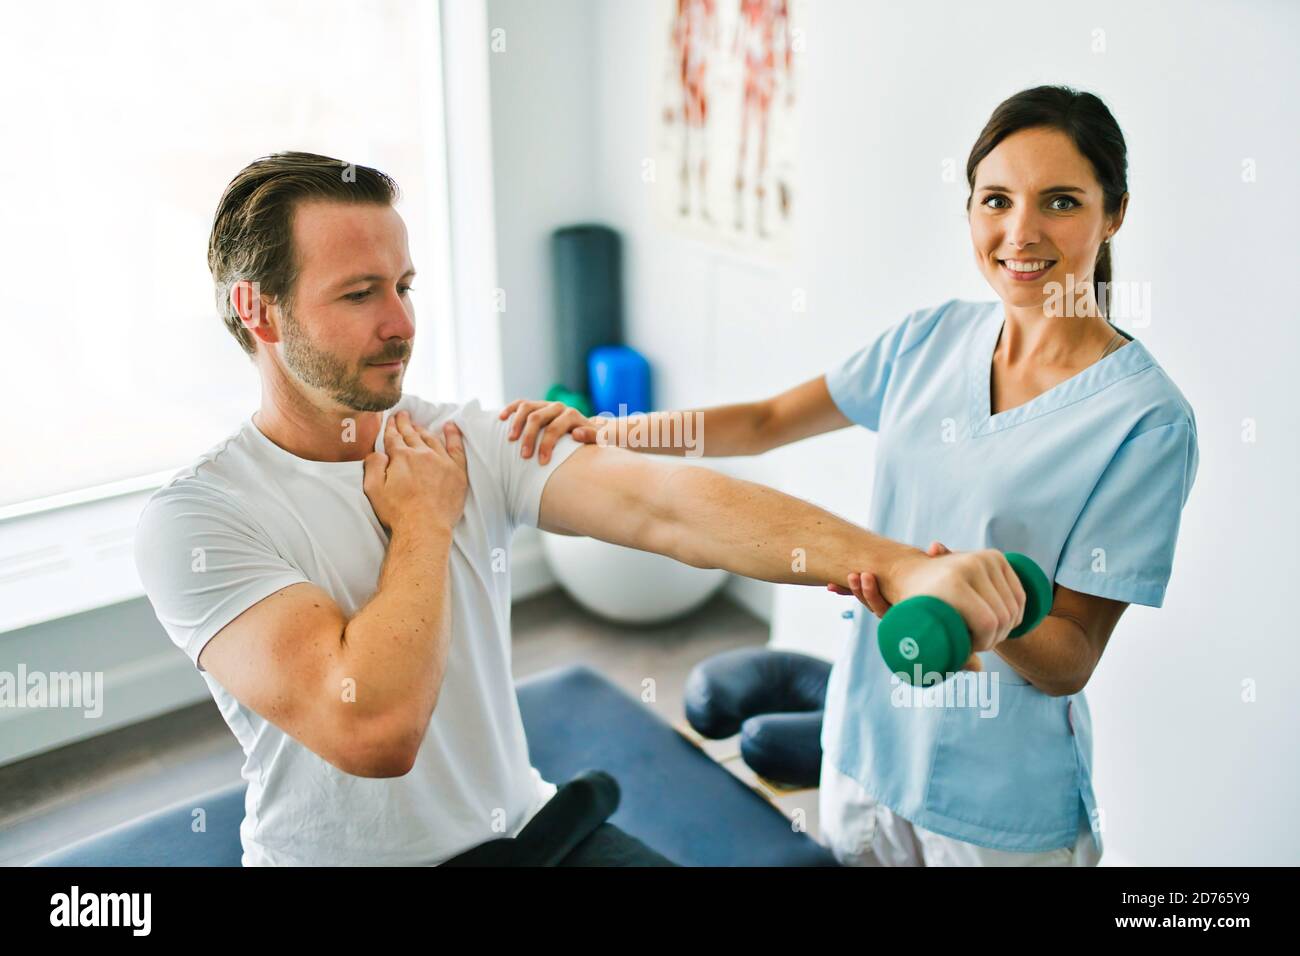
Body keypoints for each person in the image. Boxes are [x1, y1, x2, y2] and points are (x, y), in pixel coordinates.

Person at [132, 151, 1024, 866]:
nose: (401, 323)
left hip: (528, 831)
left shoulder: (463, 439)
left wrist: (904, 565)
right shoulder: (199, 521)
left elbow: (673, 507)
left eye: (403, 286)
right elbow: (373, 726)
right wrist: (426, 523)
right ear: (259, 311)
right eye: (359, 295)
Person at [500, 85, 1200, 866]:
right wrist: (613, 432)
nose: (1020, 232)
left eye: (1061, 201)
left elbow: (1071, 658)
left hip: (995, 803)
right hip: (865, 746)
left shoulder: (1145, 420)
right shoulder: (931, 339)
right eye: (995, 199)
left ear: (1116, 212)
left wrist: (982, 610)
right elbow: (766, 421)